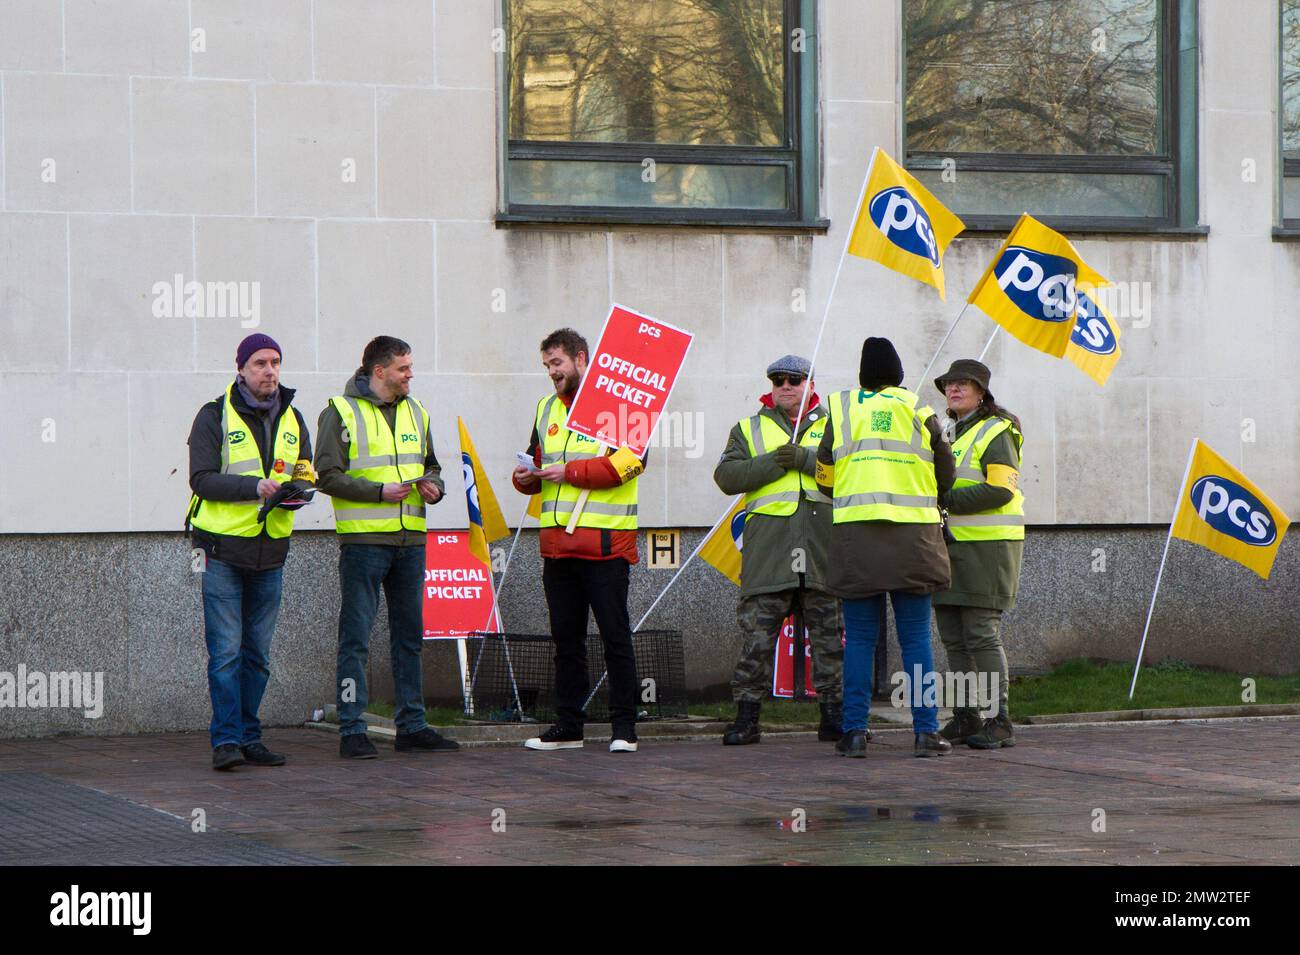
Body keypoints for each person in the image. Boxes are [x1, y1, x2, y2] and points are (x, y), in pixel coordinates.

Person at [316, 335, 456, 759]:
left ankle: (412, 725)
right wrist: (379, 492)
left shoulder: (417, 411)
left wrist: (434, 486)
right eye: (403, 368)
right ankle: (352, 729)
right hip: (364, 543)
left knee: (410, 636)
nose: (411, 374)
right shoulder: (339, 412)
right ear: (379, 372)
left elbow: (431, 464)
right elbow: (326, 475)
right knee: (355, 637)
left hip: (411, 540)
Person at [816, 337, 955, 758]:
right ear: (897, 373)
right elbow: (945, 472)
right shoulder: (918, 409)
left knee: (858, 638)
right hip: (914, 538)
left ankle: (854, 732)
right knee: (916, 640)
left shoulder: (840, 409)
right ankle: (926, 732)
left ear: (862, 373)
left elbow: (824, 476)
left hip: (857, 537)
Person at [511, 328, 646, 754]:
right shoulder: (545, 407)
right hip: (557, 546)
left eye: (557, 363)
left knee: (615, 638)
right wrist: (524, 479)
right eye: (547, 365)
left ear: (581, 359)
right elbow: (539, 464)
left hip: (606, 546)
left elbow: (633, 463)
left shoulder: (619, 405)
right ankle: (568, 727)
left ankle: (625, 728)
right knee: (565, 642)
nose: (552, 372)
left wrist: (567, 473)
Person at [186, 333, 314, 771]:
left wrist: (302, 489)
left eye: (275, 361)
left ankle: (249, 736)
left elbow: (305, 471)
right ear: (240, 368)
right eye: (260, 362)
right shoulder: (213, 415)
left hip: (271, 553)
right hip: (219, 550)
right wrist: (254, 487)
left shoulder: (294, 418)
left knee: (257, 654)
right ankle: (226, 742)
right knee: (226, 653)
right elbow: (201, 479)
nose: (270, 370)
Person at [713, 355, 843, 745]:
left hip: (822, 551)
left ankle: (834, 717)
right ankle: (747, 719)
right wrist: (773, 462)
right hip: (769, 553)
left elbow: (848, 476)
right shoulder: (747, 428)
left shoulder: (836, 424)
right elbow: (727, 477)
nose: (785, 386)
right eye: (778, 380)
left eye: (794, 379)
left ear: (810, 384)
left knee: (829, 642)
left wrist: (805, 460)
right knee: (755, 642)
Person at [932, 359, 1024, 749]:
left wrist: (945, 499)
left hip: (989, 549)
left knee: (981, 635)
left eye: (963, 385)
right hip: (949, 547)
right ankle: (966, 715)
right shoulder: (948, 430)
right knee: (953, 638)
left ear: (981, 391)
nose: (954, 390)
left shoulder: (997, 430)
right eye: (950, 385)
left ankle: (999, 720)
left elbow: (1001, 490)